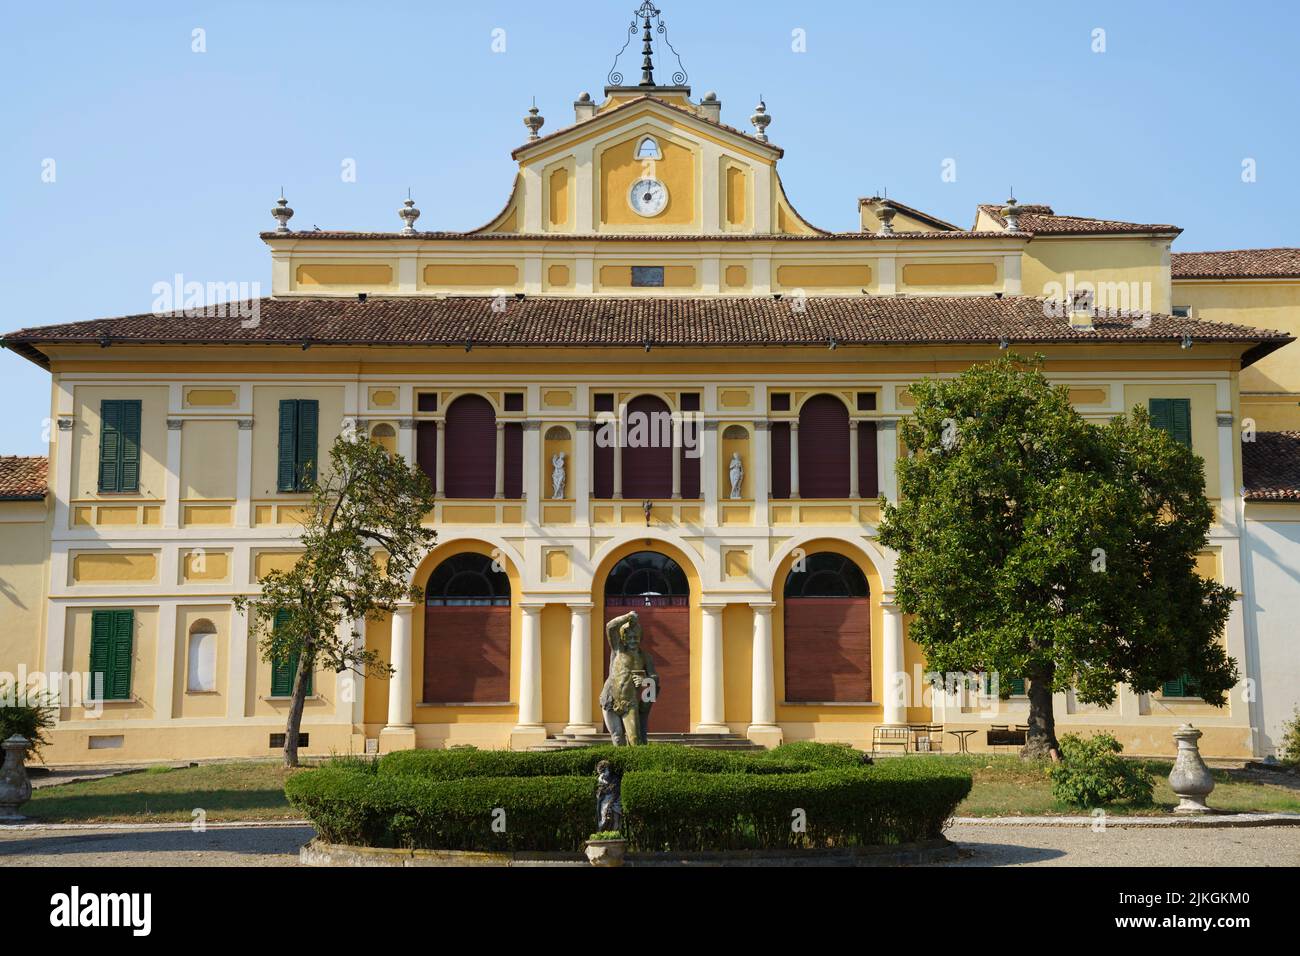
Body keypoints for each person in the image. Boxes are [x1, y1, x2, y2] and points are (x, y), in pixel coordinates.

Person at [599, 610, 658, 745]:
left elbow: (654, 676)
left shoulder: (645, 657)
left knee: (635, 739)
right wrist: (627, 617)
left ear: (640, 638)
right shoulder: (618, 649)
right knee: (617, 736)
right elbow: (610, 627)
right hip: (610, 698)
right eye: (629, 637)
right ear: (623, 638)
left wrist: (646, 681)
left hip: (630, 701)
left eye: (635, 637)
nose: (632, 640)